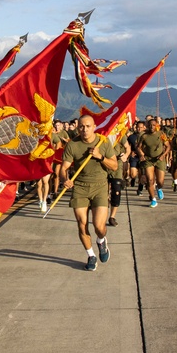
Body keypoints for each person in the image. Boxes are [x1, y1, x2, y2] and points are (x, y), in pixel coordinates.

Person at [61, 115, 118, 271]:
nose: (84, 129)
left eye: (87, 126)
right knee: (82, 224)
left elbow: (114, 166)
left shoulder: (103, 142)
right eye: (81, 126)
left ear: (94, 127)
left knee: (99, 227)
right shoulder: (73, 145)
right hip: (79, 187)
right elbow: (64, 168)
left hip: (100, 187)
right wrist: (65, 179)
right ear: (77, 127)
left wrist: (100, 156)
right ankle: (91, 255)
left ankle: (101, 241)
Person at [137, 118, 170, 209]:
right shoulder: (144, 136)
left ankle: (159, 188)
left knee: (160, 181)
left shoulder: (161, 134)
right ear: (147, 126)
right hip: (148, 160)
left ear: (157, 126)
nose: (152, 127)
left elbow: (168, 146)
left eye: (154, 125)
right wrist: (141, 154)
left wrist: (163, 155)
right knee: (150, 180)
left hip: (159, 159)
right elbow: (138, 147)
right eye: (150, 125)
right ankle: (153, 199)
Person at [107, 131, 131, 226]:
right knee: (103, 192)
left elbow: (127, 148)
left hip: (117, 164)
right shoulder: (101, 133)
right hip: (103, 163)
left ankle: (112, 217)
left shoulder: (120, 134)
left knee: (116, 191)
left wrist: (126, 155)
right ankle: (103, 213)